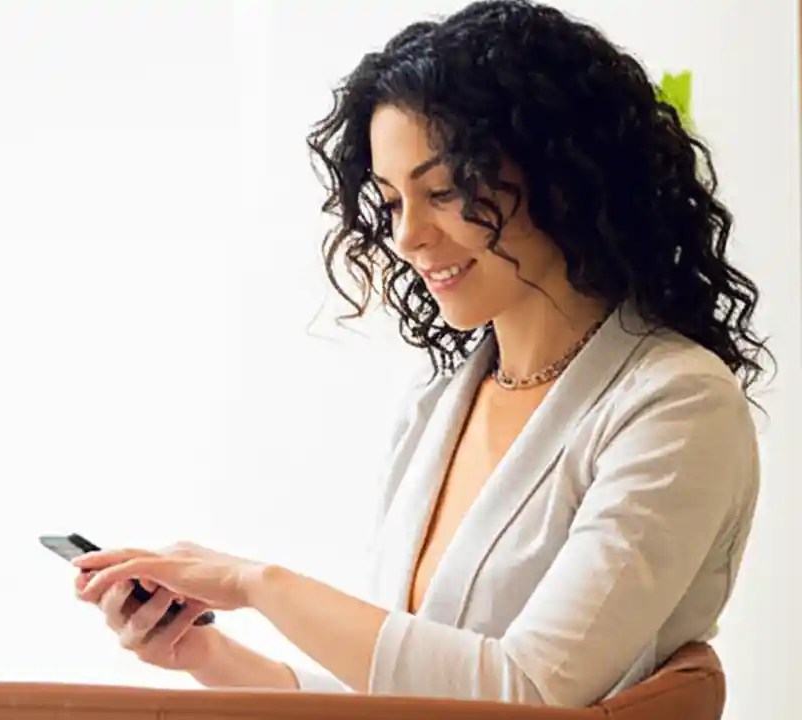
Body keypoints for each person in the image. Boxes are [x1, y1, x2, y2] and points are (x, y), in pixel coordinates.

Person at [72, 0, 769, 708]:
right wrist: (204, 651)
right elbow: (410, 698)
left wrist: (260, 583)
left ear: (564, 180)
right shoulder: (442, 401)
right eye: (391, 201)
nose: (407, 237)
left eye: (440, 192)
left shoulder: (676, 404)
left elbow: (527, 693)